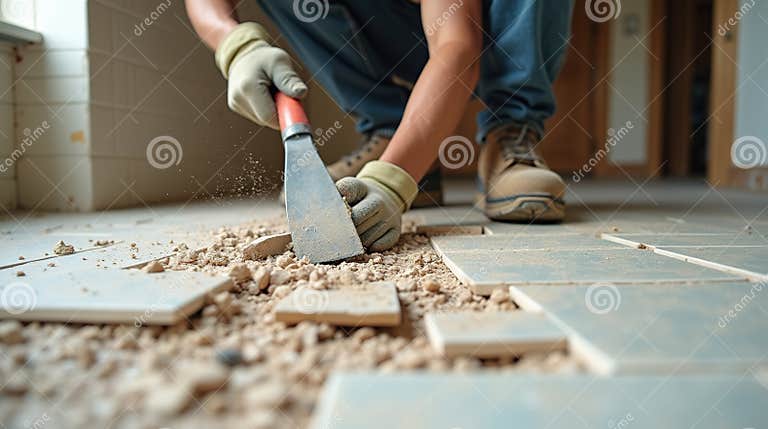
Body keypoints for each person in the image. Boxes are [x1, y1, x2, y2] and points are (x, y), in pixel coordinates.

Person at [186, 0, 574, 252]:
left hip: (496, 26)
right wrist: (237, 44)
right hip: (398, 29)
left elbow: (458, 44)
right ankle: (393, 131)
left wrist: (394, 179)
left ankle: (511, 126)